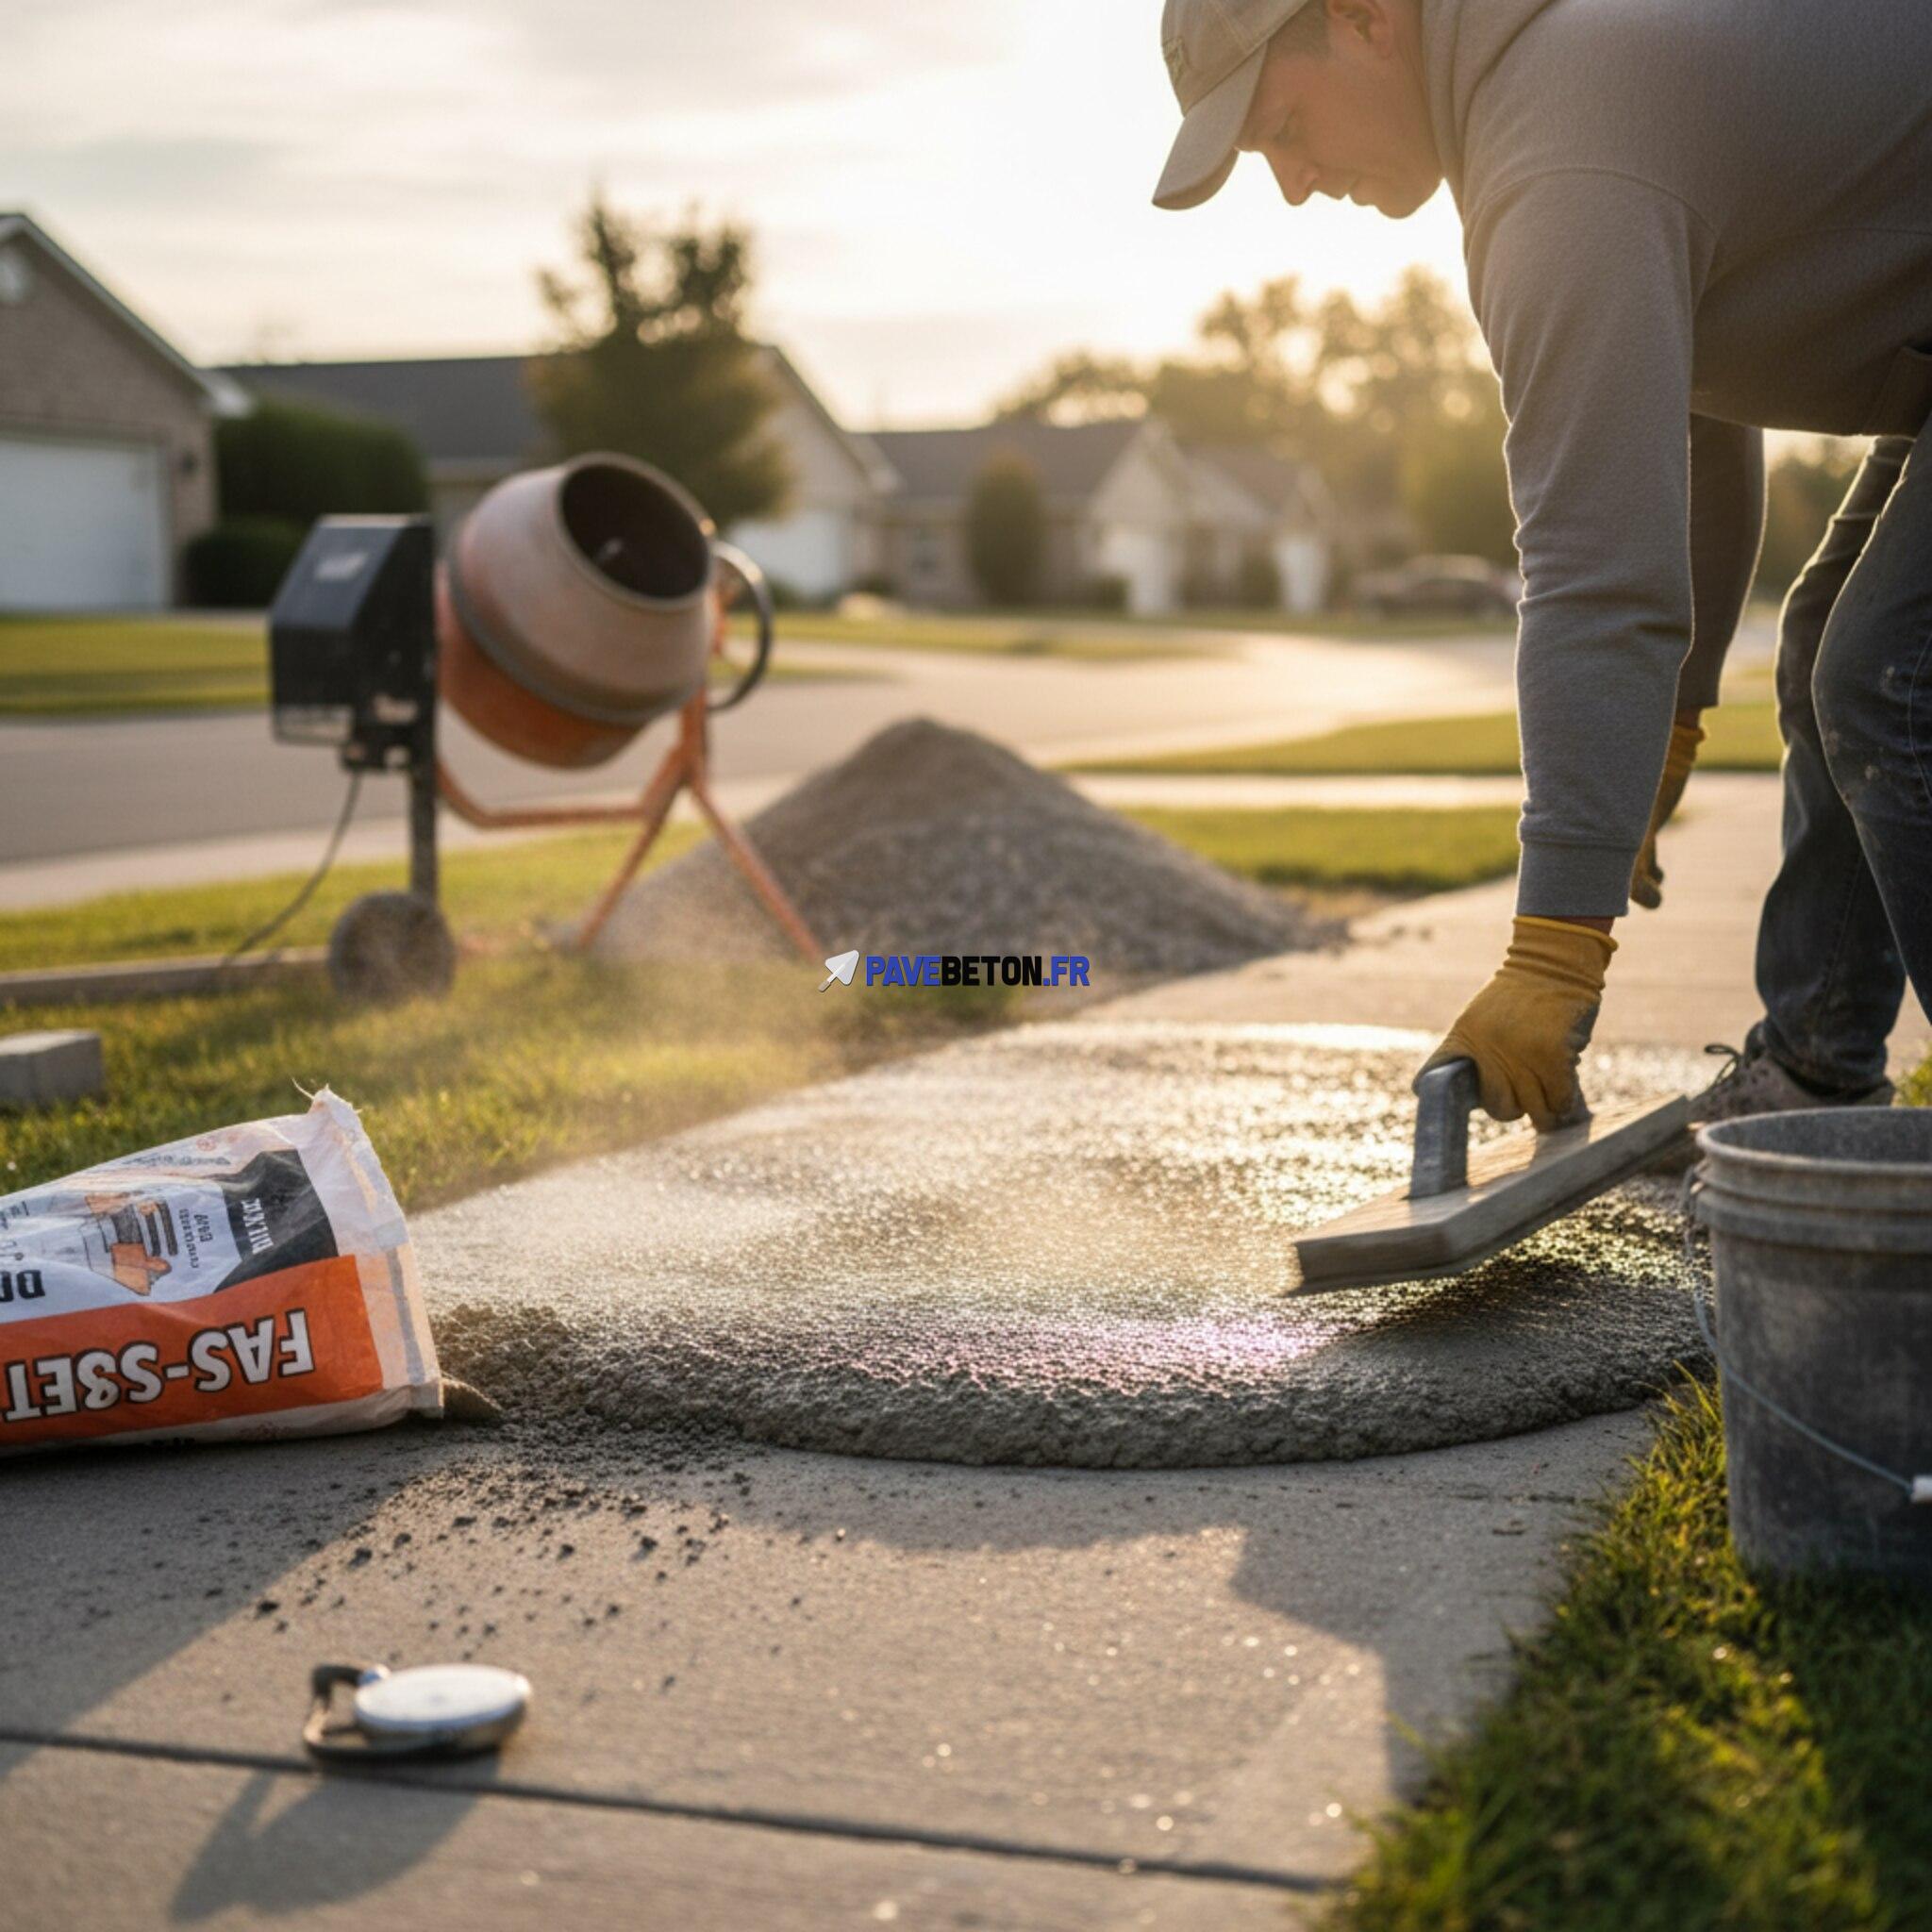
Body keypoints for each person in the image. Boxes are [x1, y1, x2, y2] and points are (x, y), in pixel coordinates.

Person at [1152, 0, 1932, 1130]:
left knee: (1883, 677)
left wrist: (1553, 948)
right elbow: (1690, 435)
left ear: (1365, 18)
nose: (1290, 182)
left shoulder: (1557, 150)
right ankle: (1818, 1063)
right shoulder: (1571, 84)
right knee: (1828, 646)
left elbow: (1591, 569)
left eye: (1279, 125)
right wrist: (1664, 721)